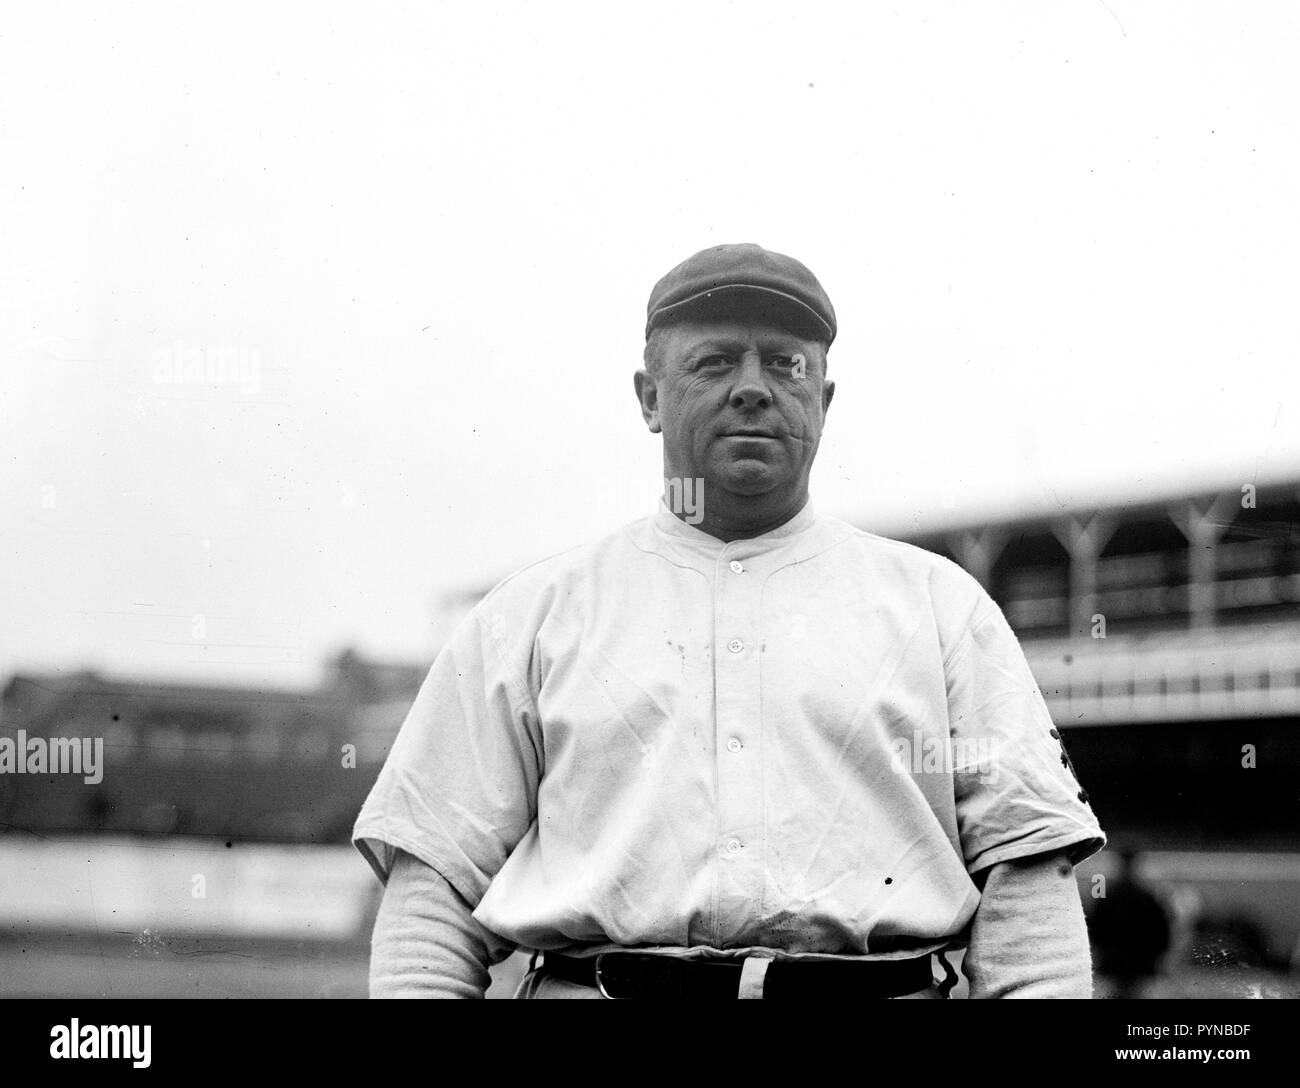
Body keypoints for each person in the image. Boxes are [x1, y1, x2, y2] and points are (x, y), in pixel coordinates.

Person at [352, 242, 1106, 999]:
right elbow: (433, 899)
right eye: (714, 362)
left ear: (825, 399)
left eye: (786, 364)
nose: (753, 388)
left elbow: (1026, 884)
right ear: (649, 397)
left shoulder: (942, 608)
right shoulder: (532, 615)